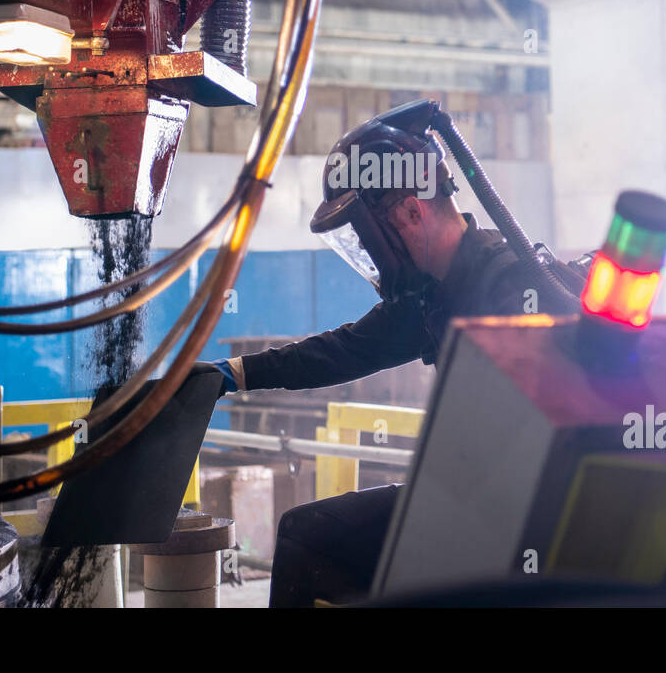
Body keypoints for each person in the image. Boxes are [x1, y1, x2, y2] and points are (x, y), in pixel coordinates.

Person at [196, 102, 572, 606]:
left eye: (368, 239)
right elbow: (346, 350)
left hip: (529, 517)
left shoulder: (510, 286)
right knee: (313, 535)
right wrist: (234, 374)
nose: (371, 258)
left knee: (311, 537)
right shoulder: (432, 294)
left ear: (412, 212)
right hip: (477, 502)